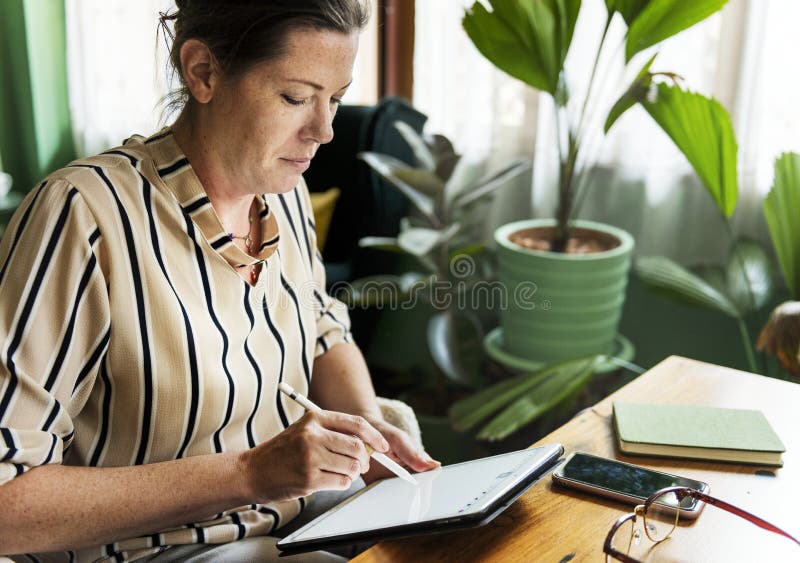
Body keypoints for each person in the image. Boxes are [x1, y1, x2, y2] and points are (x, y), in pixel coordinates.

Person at [0, 1, 439, 561]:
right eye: (296, 98)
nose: (325, 131)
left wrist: (371, 434)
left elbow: (321, 328)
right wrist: (251, 474)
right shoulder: (84, 216)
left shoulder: (284, 190)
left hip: (299, 522)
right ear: (203, 71)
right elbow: (7, 503)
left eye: (336, 99)